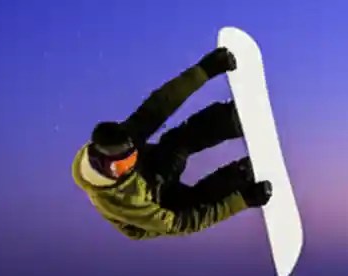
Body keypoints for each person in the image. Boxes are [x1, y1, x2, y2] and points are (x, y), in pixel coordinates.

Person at [72, 47, 273, 240]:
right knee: (192, 204)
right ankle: (242, 176)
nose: (130, 163)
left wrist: (205, 70)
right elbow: (180, 223)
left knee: (177, 141)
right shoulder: (125, 203)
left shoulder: (124, 139)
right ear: (109, 171)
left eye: (132, 156)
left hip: (153, 169)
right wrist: (242, 200)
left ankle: (230, 120)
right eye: (124, 165)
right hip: (159, 204)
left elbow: (160, 104)